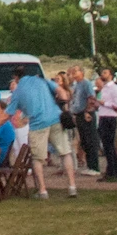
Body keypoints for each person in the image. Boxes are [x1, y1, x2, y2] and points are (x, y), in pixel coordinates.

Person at [11, 69, 77, 199]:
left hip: (38, 124)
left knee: (37, 158)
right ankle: (72, 187)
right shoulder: (42, 81)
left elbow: (8, 112)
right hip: (55, 118)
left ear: (16, 78)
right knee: (65, 152)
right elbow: (63, 94)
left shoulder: (18, 91)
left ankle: (42, 190)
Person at [69, 65, 100, 175]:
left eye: (76, 71)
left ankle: (95, 167)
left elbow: (91, 98)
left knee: (90, 140)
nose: (73, 73)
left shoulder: (86, 83)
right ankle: (89, 165)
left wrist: (87, 111)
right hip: (78, 114)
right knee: (84, 141)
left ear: (82, 72)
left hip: (86, 114)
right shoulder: (77, 85)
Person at [95, 68, 117, 181]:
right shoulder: (103, 89)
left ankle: (114, 170)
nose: (103, 74)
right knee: (106, 145)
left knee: (110, 144)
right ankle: (111, 169)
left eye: (105, 72)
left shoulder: (115, 89)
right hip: (103, 116)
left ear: (111, 75)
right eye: (103, 72)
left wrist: (105, 103)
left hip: (110, 117)